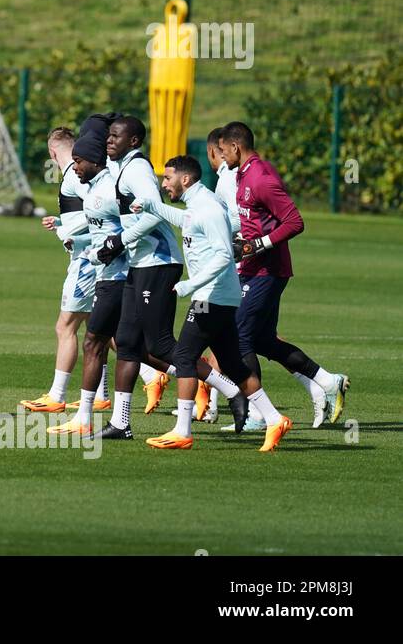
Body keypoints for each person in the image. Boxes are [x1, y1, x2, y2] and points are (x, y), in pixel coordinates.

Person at [133, 155, 290, 451]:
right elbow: (187, 222)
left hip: (211, 297)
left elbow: (222, 254)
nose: (163, 184)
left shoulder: (207, 209)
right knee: (233, 364)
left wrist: (191, 284)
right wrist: (154, 207)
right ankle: (274, 419)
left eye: (167, 179)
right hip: (216, 296)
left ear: (185, 179)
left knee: (184, 357)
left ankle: (182, 430)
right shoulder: (198, 206)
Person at [218, 121, 349, 427]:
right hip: (253, 268)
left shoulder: (261, 177)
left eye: (224, 152)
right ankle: (327, 381)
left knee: (240, 339)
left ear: (236, 147)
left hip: (268, 271)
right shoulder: (243, 174)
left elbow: (294, 221)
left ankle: (259, 414)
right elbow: (255, 222)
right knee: (263, 341)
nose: (222, 158)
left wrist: (258, 245)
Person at [94, 115, 183, 439]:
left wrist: (120, 240)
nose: (109, 140)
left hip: (159, 263)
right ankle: (121, 423)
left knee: (161, 344)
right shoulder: (118, 167)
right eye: (108, 136)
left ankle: (233, 392)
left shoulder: (137, 168)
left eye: (116, 136)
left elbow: (155, 208)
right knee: (128, 342)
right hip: (140, 264)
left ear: (133, 141)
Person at [48, 126, 128, 437]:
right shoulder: (98, 183)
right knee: (110, 338)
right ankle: (100, 410)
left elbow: (130, 219)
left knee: (79, 332)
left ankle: (61, 400)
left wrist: (98, 246)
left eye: (79, 162)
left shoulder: (100, 186)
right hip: (104, 269)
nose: (75, 169)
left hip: (103, 270)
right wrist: (63, 226)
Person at [23, 126, 110, 413]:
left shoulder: (74, 174)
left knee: (66, 326)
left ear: (52, 152)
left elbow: (98, 209)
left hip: (86, 260)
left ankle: (56, 396)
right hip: (90, 257)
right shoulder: (76, 172)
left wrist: (71, 232)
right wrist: (63, 225)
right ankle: (106, 391)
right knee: (99, 330)